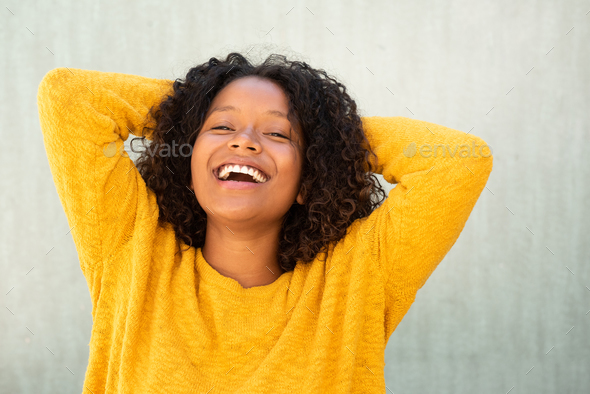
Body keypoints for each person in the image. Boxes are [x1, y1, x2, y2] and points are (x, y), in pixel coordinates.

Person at [37, 52, 493, 393]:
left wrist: (329, 133)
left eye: (277, 134)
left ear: (308, 181)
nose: (245, 142)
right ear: (189, 165)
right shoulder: (133, 250)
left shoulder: (356, 278)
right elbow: (69, 97)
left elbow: (461, 162)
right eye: (220, 128)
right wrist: (194, 106)